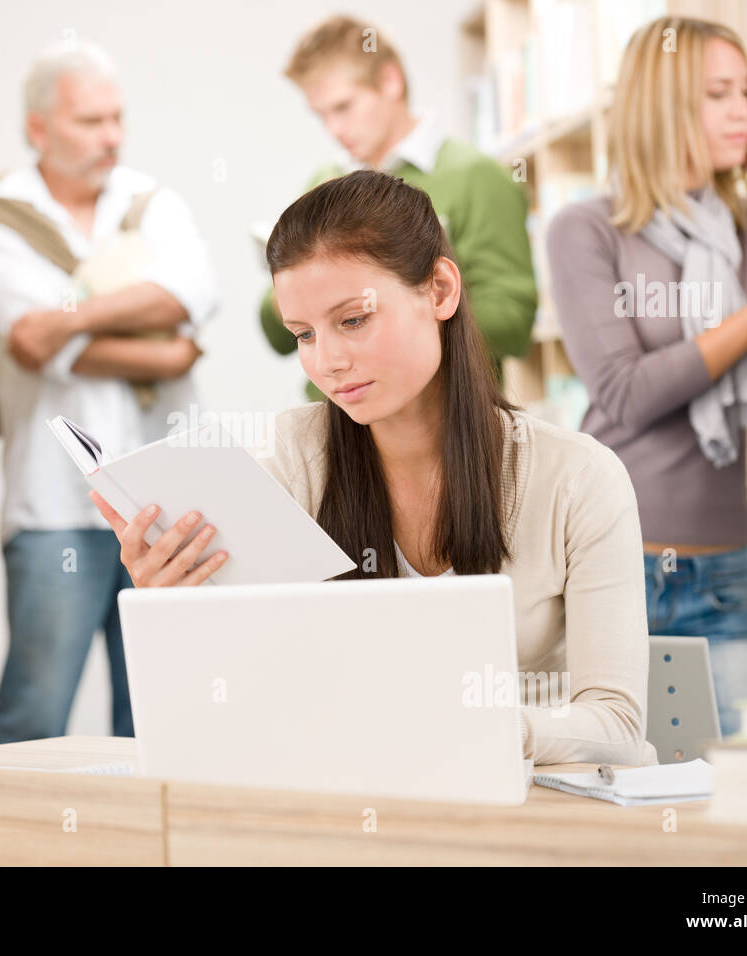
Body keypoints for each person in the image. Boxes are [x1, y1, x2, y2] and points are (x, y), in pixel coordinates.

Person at [94, 170, 659, 767]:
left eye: (353, 320)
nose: (328, 361)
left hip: (526, 815)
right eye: (303, 334)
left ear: (440, 290)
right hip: (353, 803)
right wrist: (174, 612)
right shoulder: (290, 459)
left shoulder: (578, 478)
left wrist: (469, 729)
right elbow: (240, 698)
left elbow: (618, 723)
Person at [545, 17, 747, 737]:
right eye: (719, 92)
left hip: (722, 573)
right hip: (614, 569)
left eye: (746, 90)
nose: (744, 110)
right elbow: (626, 393)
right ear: (663, 105)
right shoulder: (587, 228)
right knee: (626, 801)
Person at [0, 40, 219, 743]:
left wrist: (70, 317)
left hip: (165, 504)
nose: (110, 136)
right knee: (35, 713)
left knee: (161, 713)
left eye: (116, 118)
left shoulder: (151, 201)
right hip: (54, 508)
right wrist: (155, 335)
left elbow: (194, 295)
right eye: (88, 121)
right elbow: (31, 344)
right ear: (37, 129)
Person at [258, 15, 537, 400]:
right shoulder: (325, 182)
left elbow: (512, 320)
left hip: (443, 420)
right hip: (337, 422)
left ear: (390, 81)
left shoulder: (475, 177)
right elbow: (277, 337)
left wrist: (392, 324)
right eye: (321, 115)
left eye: (343, 107)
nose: (334, 130)